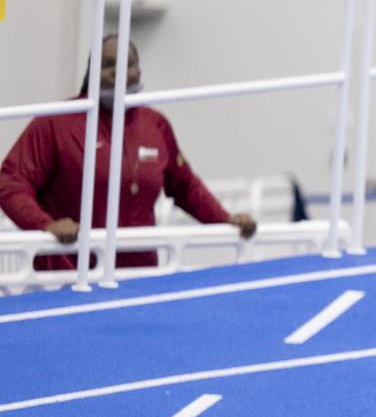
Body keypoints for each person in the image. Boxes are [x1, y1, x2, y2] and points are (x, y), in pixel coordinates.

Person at [0, 37, 255, 272]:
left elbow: (185, 186)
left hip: (138, 277)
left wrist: (225, 219)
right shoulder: (56, 123)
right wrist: (45, 225)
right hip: (67, 277)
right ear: (92, 72)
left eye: (127, 64)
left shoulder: (156, 125)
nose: (118, 72)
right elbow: (10, 183)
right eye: (108, 64)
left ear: (139, 71)